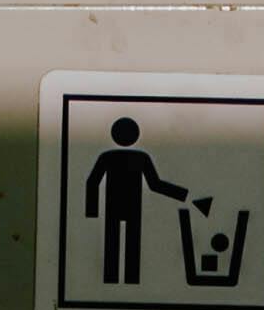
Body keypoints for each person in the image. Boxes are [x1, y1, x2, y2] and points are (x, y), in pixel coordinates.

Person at [82, 116, 196, 285]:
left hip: (119, 207)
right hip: (129, 207)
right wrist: (181, 194)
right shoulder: (139, 157)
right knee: (125, 245)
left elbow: (92, 182)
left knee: (117, 244)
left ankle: (117, 279)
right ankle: (124, 280)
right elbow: (155, 184)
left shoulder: (109, 156)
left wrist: (92, 211)